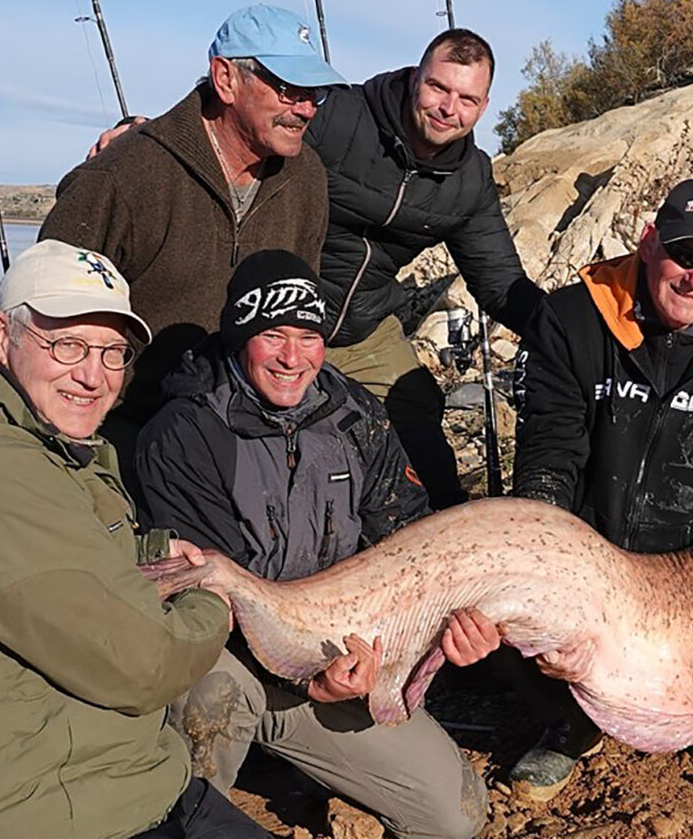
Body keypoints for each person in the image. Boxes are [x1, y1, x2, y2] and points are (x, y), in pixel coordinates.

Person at [0, 240, 267, 839]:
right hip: (38, 811)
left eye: (113, 352)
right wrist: (213, 592)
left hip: (134, 779)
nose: (92, 375)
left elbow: (60, 560)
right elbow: (146, 667)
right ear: (2, 335)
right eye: (68, 345)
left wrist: (147, 555)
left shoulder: (47, 446)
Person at [88, 26, 545, 510]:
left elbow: (500, 283)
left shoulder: (470, 179)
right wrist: (145, 133)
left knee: (417, 425)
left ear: (485, 105)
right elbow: (245, 116)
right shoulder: (340, 116)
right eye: (438, 88)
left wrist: (574, 328)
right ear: (415, 77)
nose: (448, 108)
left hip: (363, 325)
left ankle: (439, 535)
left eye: (466, 99)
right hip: (276, 314)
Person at [134, 250, 499, 839]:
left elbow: (408, 546)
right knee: (212, 691)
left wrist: (448, 629)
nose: (292, 357)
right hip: (235, 657)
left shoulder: (355, 414)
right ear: (239, 336)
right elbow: (210, 595)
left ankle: (288, 757)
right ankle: (177, 814)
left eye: (308, 336)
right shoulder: (183, 433)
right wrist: (308, 680)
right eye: (272, 336)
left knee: (451, 815)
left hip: (337, 653)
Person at [508, 178, 693, 799]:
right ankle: (568, 722)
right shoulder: (571, 319)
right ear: (648, 240)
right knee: (523, 665)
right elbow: (549, 459)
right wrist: (548, 592)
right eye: (684, 256)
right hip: (588, 569)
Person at [39, 4, 346, 475]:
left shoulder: (307, 178)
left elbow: (297, 310)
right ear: (225, 79)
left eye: (313, 93)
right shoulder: (122, 175)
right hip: (123, 430)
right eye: (287, 89)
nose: (304, 108)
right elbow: (46, 322)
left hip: (245, 429)